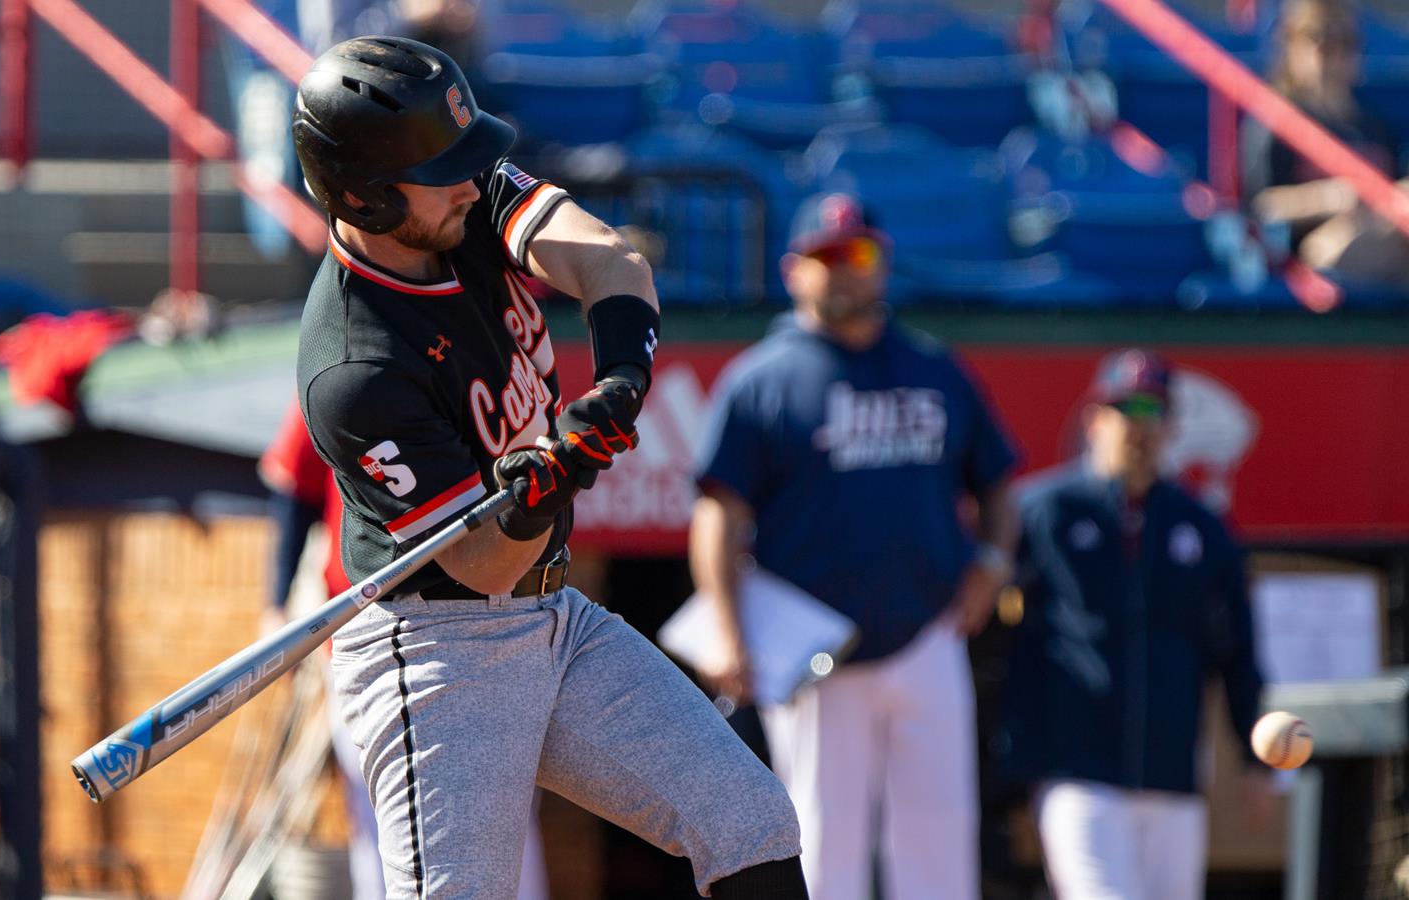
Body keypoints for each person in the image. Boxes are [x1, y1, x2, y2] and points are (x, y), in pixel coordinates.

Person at [291, 37, 807, 899]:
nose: (470, 176)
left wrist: (618, 382)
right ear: (365, 196)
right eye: (439, 168)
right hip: (435, 647)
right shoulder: (354, 368)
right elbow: (483, 559)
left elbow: (613, 259)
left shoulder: (464, 196)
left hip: (555, 618)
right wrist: (542, 490)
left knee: (751, 823)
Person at [689, 192, 1021, 900]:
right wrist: (727, 630)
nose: (845, 271)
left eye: (859, 254)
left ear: (883, 261)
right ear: (793, 271)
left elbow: (997, 484)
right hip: (812, 649)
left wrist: (991, 565)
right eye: (827, 257)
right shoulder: (763, 379)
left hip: (927, 634)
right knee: (820, 843)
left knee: (939, 841)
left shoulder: (934, 368)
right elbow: (719, 515)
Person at [993, 349, 1276, 900]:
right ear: (1095, 419)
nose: (1138, 428)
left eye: (1153, 413)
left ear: (1172, 427)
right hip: (1075, 768)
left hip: (1171, 774)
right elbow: (984, 624)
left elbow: (1236, 648)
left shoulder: (1201, 527)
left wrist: (1252, 755)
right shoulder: (1043, 512)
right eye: (1125, 411)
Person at [259, 400, 550, 900]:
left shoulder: (492, 348)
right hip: (364, 634)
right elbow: (297, 492)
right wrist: (276, 608)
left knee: (502, 810)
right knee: (378, 814)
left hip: (484, 631)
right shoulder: (339, 356)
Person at [1243, 0, 1409, 285]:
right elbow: (1260, 208)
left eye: (1345, 41)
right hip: (1314, 252)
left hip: (1382, 232)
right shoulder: (1277, 123)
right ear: (1291, 44)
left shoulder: (1372, 126)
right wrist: (1329, 197)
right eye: (1317, 36)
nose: (1331, 51)